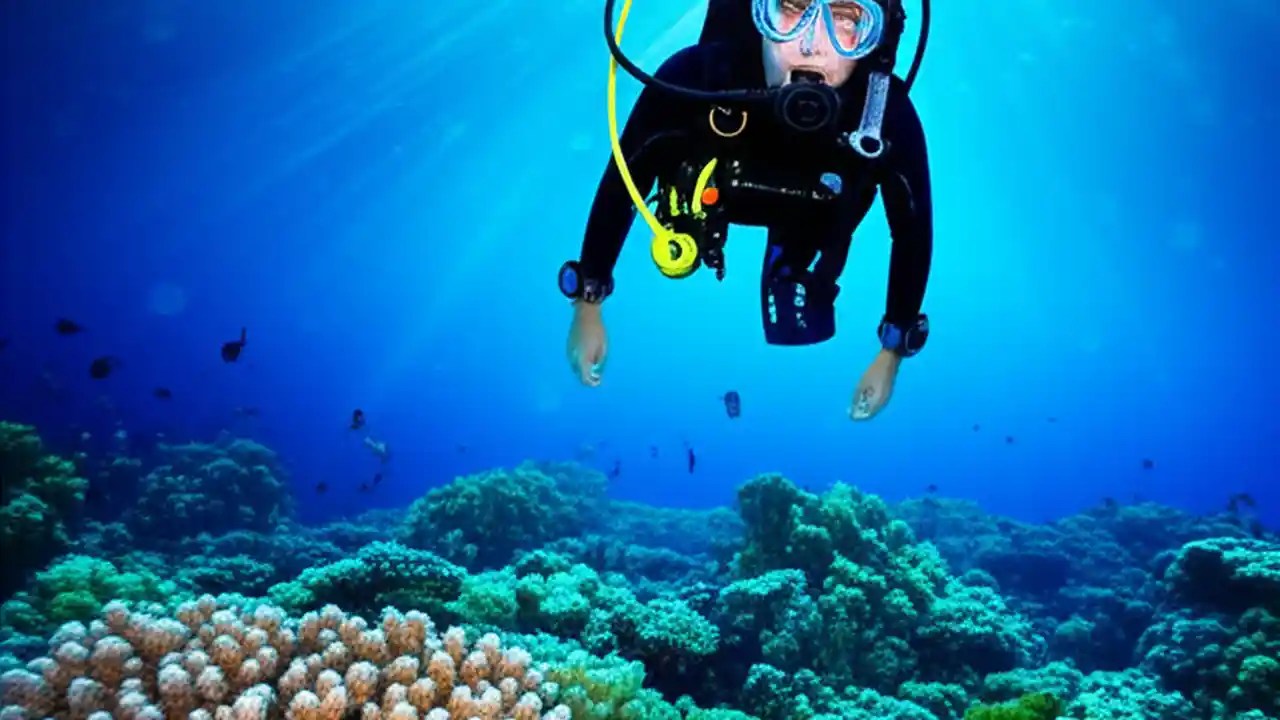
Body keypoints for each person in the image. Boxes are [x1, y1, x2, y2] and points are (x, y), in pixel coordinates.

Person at [557, 0, 933, 421]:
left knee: (807, 265)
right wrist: (588, 301)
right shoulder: (695, 79)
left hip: (811, 218)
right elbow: (625, 178)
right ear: (758, 12)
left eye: (845, 19)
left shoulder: (885, 115)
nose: (812, 43)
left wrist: (892, 352)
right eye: (792, 8)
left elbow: (912, 229)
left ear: (873, 38)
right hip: (713, 200)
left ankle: (791, 263)